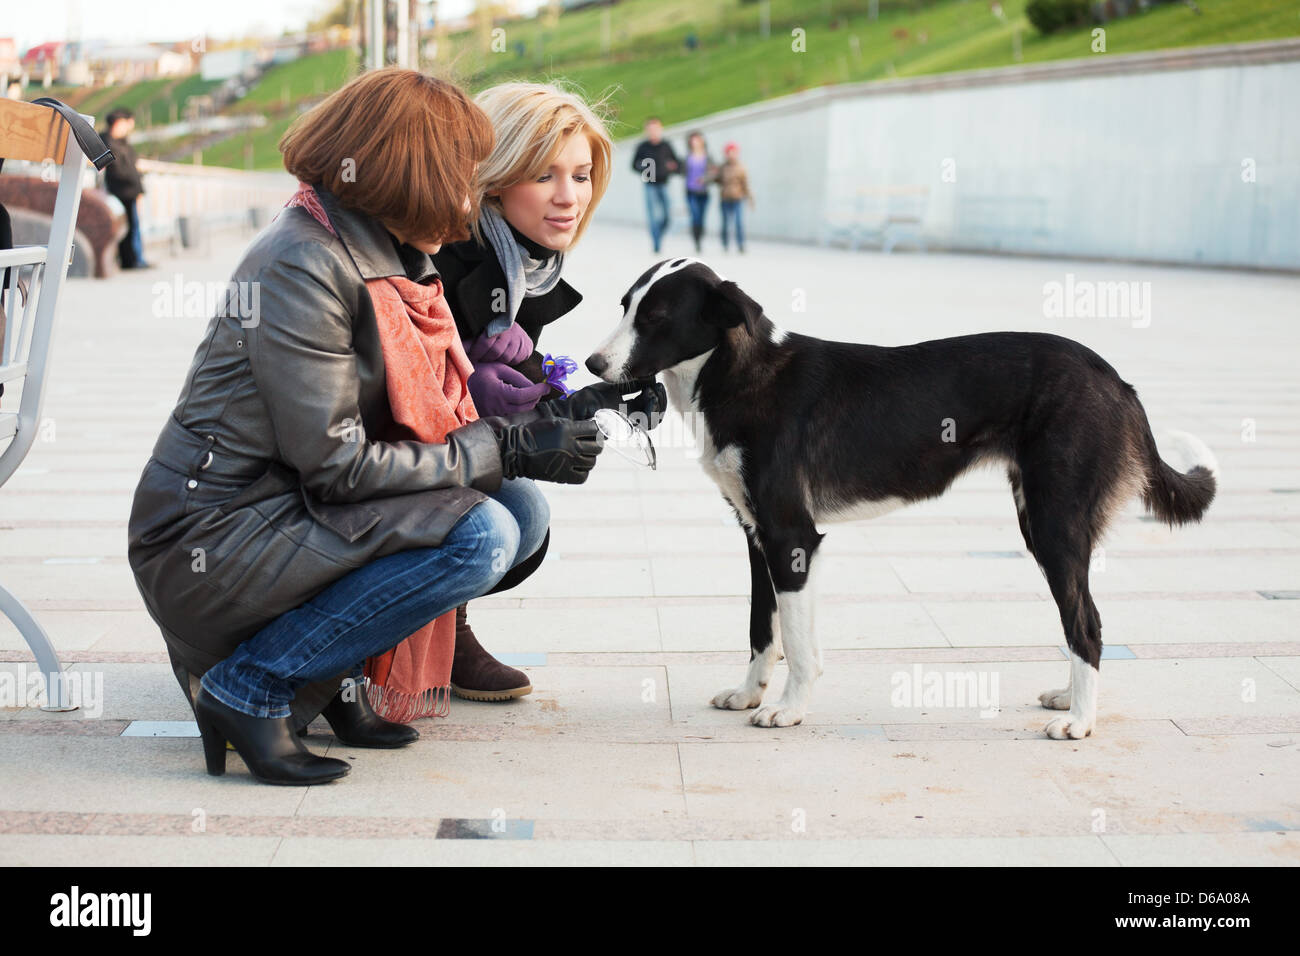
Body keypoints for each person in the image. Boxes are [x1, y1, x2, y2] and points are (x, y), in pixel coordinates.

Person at [125, 68, 609, 786]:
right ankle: (251, 685)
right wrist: (499, 446)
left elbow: (403, 425)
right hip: (212, 537)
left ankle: (336, 676)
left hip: (283, 510)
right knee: (482, 534)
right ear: (414, 169)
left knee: (518, 510)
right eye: (464, 167)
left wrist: (531, 430)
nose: (473, 188)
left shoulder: (387, 253)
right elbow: (339, 467)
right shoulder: (301, 267)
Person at [428, 81, 667, 704]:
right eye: (544, 174)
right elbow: (383, 406)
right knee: (499, 527)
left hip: (426, 467)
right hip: (354, 484)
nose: (570, 198)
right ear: (496, 177)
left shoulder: (520, 260)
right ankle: (399, 632)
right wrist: (469, 387)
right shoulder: (445, 255)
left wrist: (599, 398)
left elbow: (529, 376)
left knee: (527, 516)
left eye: (582, 175)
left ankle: (434, 628)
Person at [100, 107, 151, 269]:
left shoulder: (122, 143)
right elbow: (120, 170)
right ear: (117, 123)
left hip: (130, 191)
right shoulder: (108, 143)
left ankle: (135, 259)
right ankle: (131, 260)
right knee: (127, 228)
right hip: (121, 191)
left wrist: (139, 190)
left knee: (132, 226)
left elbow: (132, 169)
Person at [630, 116, 679, 253]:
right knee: (652, 216)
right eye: (650, 129)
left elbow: (675, 162)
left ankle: (659, 234)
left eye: (655, 129)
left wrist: (673, 167)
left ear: (660, 129)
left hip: (664, 183)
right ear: (646, 131)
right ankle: (656, 242)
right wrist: (643, 168)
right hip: (649, 184)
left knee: (668, 215)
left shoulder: (666, 145)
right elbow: (634, 165)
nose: (653, 132)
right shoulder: (642, 147)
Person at [683, 130, 716, 254]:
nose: (695, 142)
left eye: (697, 139)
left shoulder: (708, 157)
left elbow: (714, 172)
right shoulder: (688, 157)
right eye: (693, 140)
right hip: (691, 192)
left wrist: (705, 179)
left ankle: (700, 238)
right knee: (695, 216)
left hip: (704, 192)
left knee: (701, 218)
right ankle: (696, 241)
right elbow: (681, 170)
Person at [717, 140, 754, 253]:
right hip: (725, 199)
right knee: (725, 223)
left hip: (737, 198)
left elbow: (745, 184)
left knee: (739, 223)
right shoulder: (722, 167)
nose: (731, 155)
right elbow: (718, 180)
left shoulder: (741, 168)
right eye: (729, 152)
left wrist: (750, 198)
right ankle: (725, 244)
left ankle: (741, 244)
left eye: (733, 152)